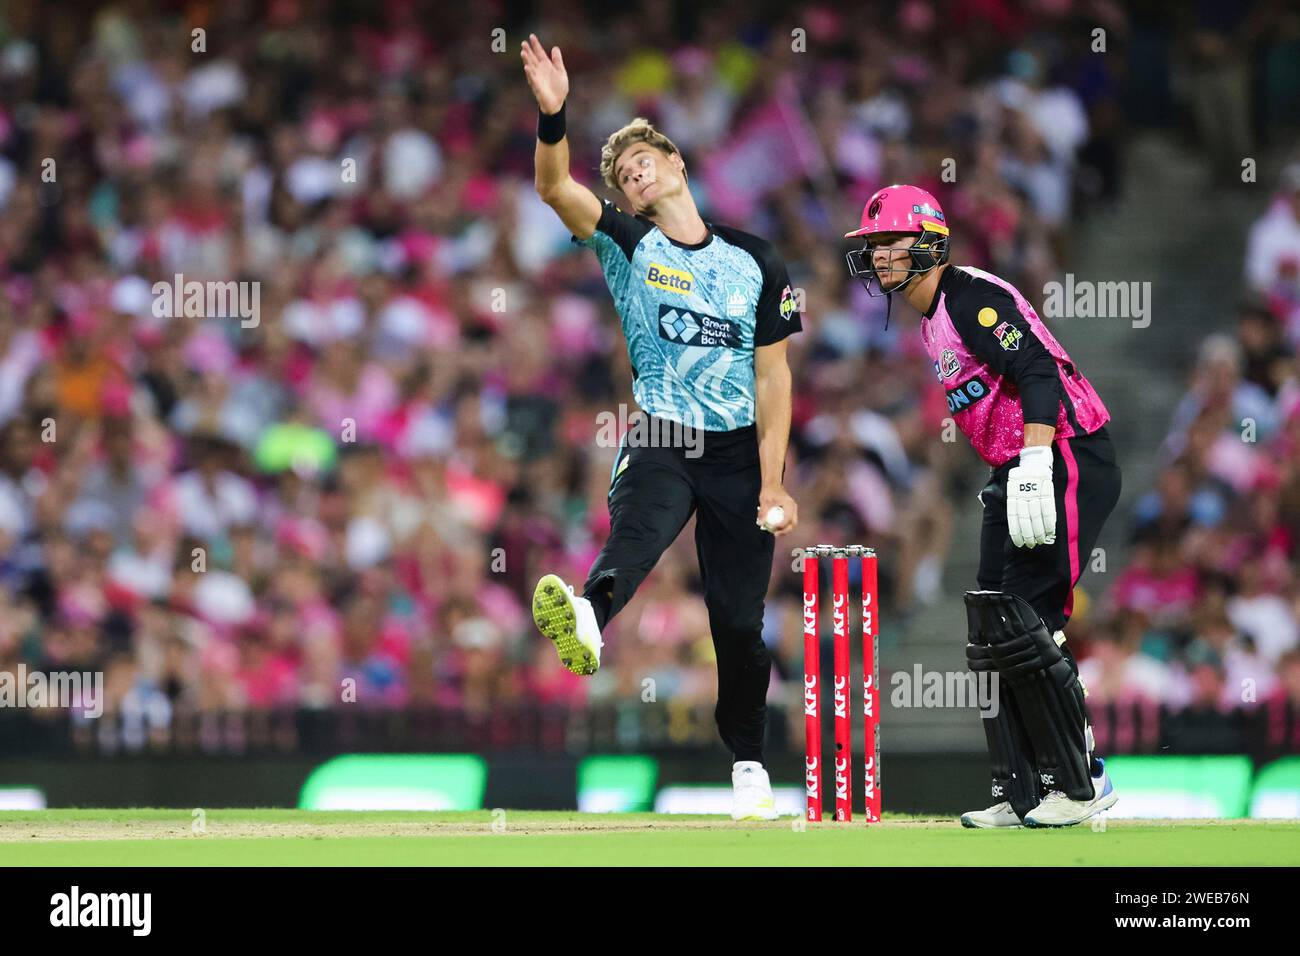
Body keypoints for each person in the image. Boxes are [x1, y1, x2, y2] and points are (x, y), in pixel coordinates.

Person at [521, 35, 802, 820]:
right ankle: (588, 615)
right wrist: (554, 116)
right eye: (622, 175)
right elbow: (554, 189)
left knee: (739, 622)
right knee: (637, 529)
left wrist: (775, 478)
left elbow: (773, 374)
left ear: (676, 165)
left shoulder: (757, 259)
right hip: (666, 431)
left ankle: (747, 765)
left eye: (643, 161)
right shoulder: (626, 240)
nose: (632, 173)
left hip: (740, 452)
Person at [844, 184, 1121, 828]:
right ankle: (1020, 787)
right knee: (995, 627)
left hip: (1066, 452)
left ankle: (1082, 784)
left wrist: (1031, 461)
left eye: (891, 241)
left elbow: (1040, 374)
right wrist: (1015, 467)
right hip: (1021, 464)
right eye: (874, 244)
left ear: (930, 242)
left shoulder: (970, 297)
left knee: (1031, 621)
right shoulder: (931, 318)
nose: (880, 255)